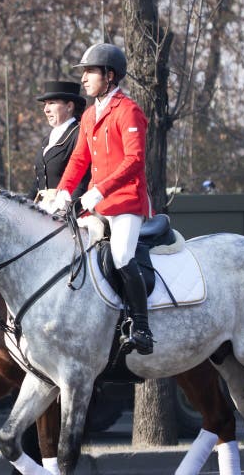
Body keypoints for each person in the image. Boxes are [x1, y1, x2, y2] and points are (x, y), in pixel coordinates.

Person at [51, 43, 154, 355]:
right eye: (83, 73)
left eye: (89, 72)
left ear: (109, 76)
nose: (83, 78)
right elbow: (79, 160)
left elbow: (134, 160)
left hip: (125, 201)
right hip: (96, 203)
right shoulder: (90, 114)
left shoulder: (128, 110)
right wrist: (63, 192)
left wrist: (99, 189)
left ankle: (141, 327)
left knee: (122, 256)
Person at [29, 81, 91, 206]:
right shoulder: (47, 139)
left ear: (69, 106)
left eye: (51, 103)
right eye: (45, 104)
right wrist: (24, 205)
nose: (46, 110)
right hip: (42, 209)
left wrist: (69, 209)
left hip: (65, 209)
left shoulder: (78, 134)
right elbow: (39, 180)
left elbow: (83, 178)